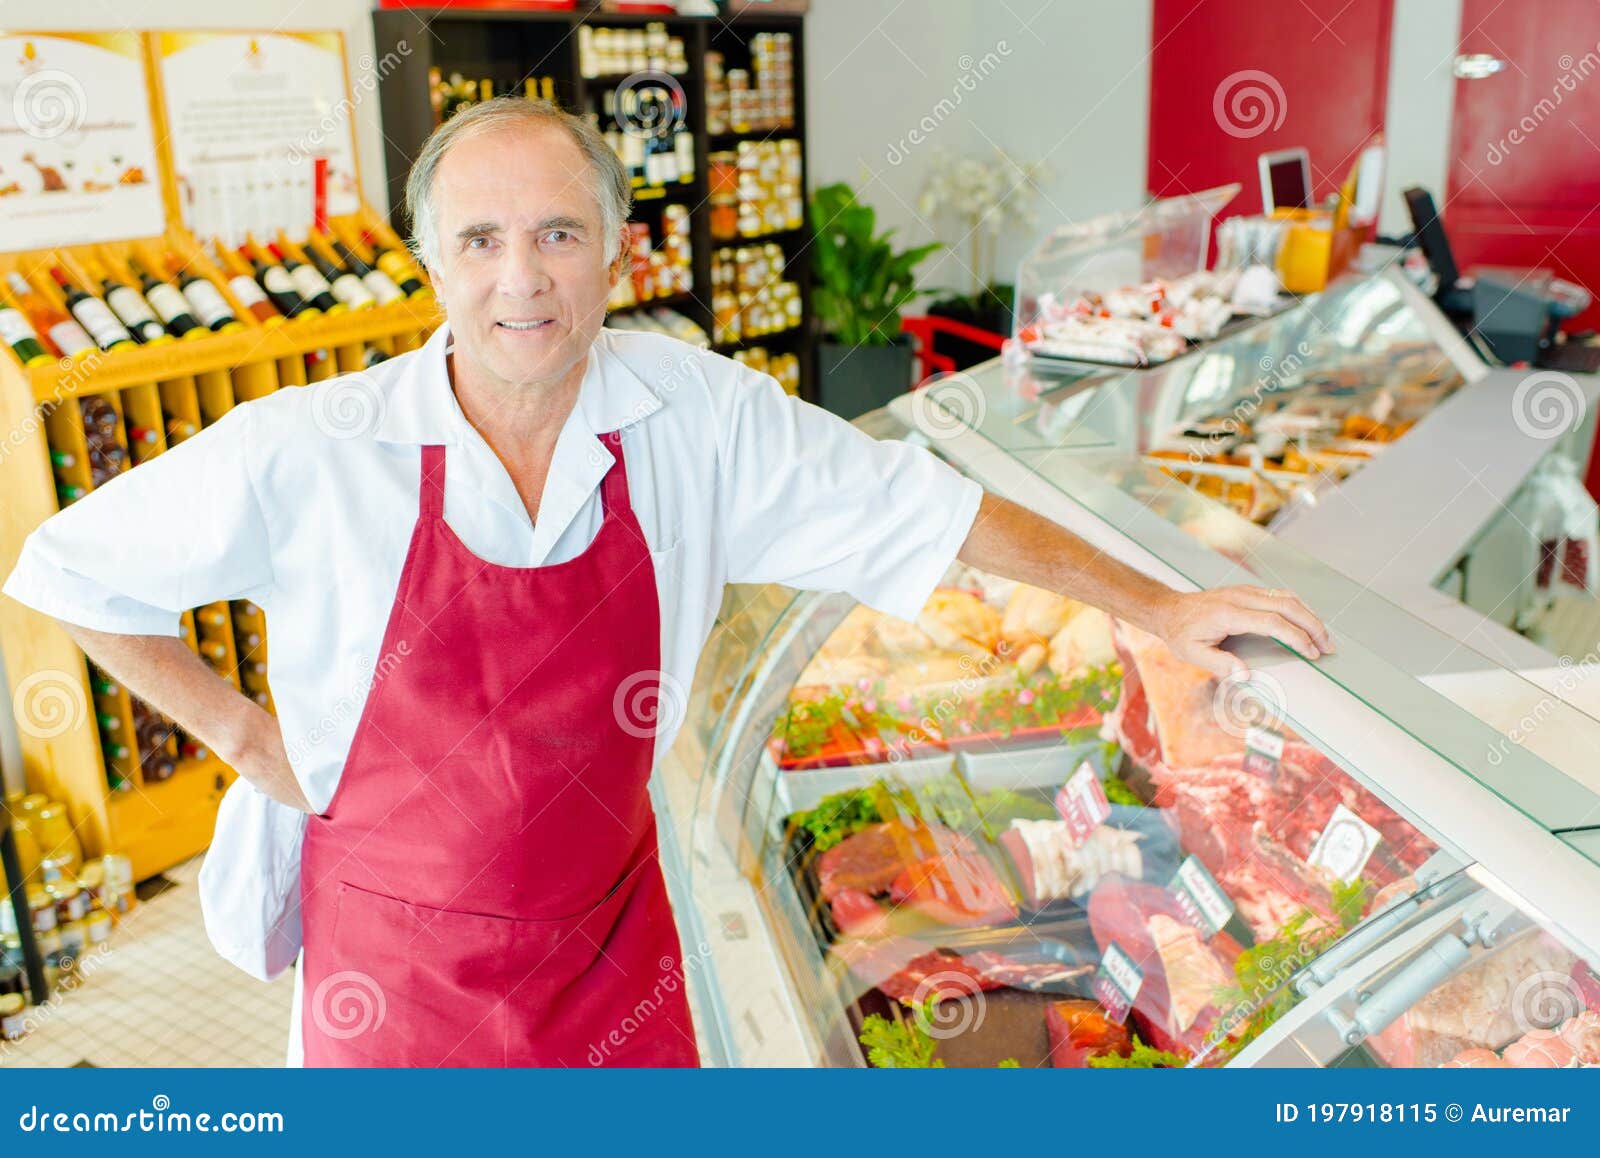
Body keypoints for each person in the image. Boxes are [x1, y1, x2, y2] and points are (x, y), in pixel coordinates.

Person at [1, 98, 1330, 1067]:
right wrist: (242, 733)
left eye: (558, 234)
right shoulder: (315, 449)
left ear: (620, 254)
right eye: (478, 241)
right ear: (427, 262)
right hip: (394, 984)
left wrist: (1156, 603)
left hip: (605, 962)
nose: (520, 278)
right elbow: (64, 568)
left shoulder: (695, 414)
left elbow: (927, 509)